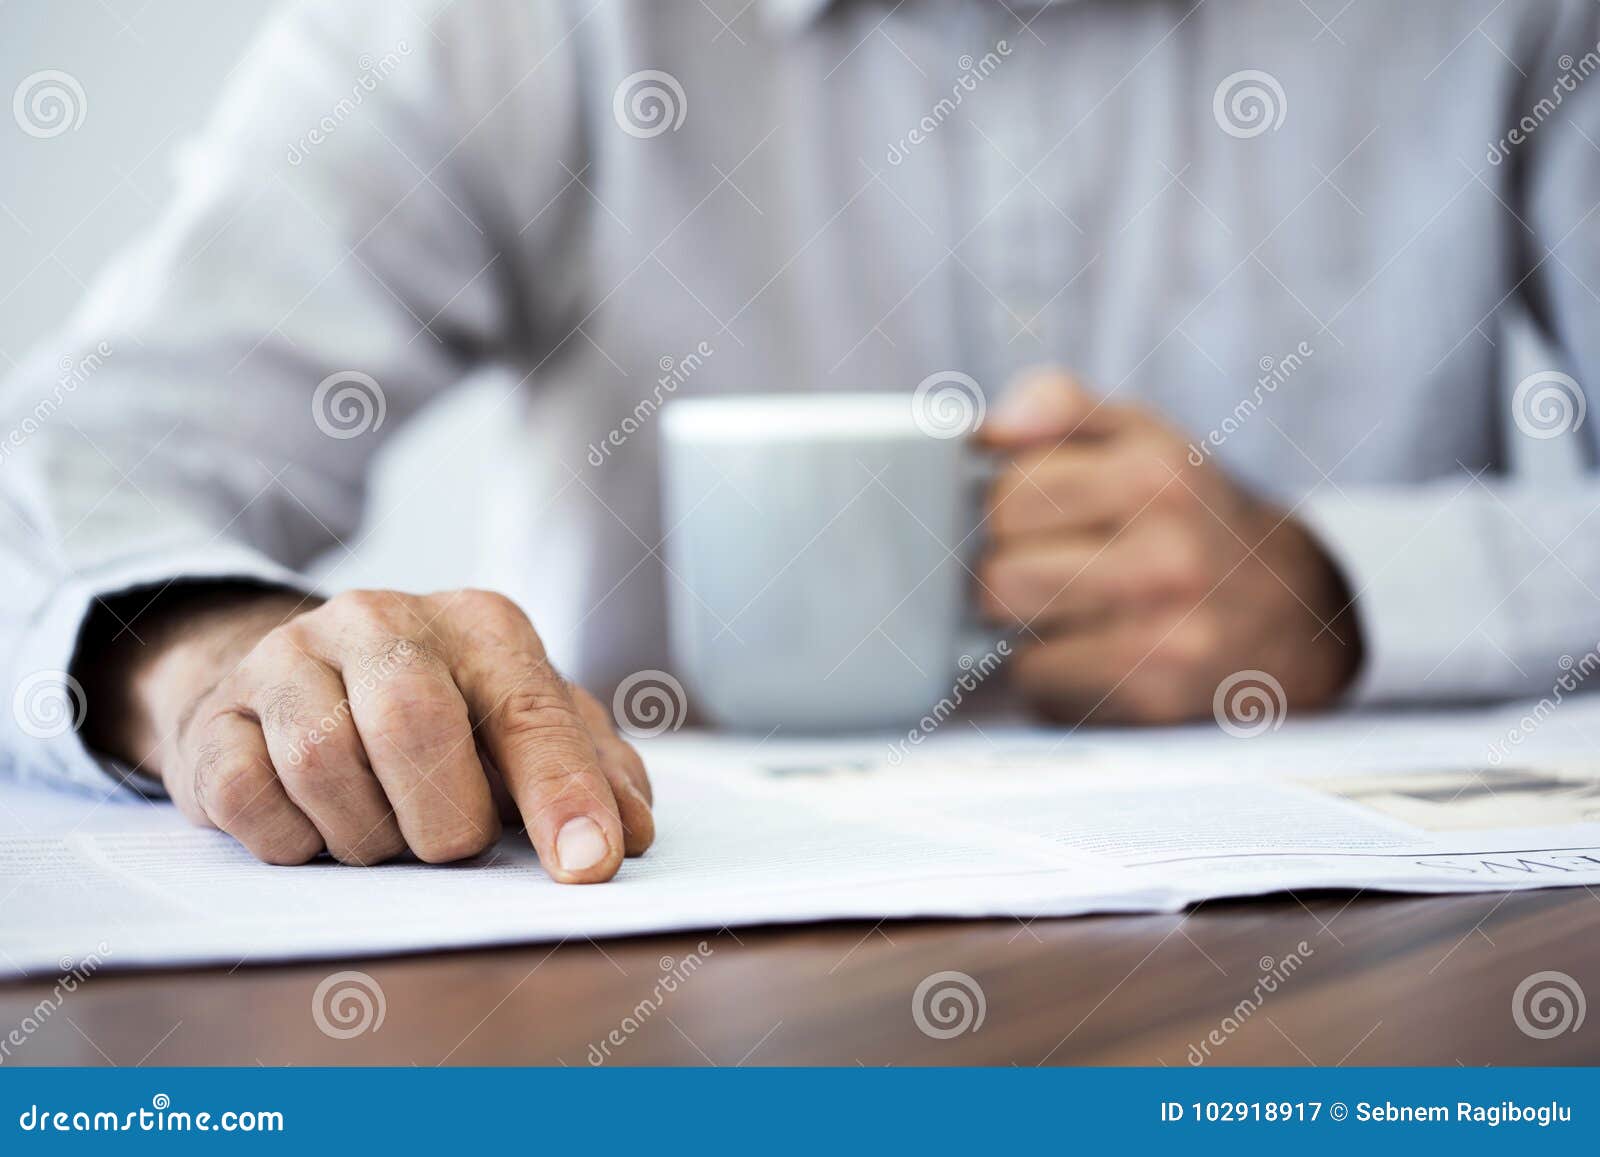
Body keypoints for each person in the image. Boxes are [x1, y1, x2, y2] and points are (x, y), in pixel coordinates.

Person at [4, 0, 1598, 879]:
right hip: (658, 991)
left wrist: (1356, 592)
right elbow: (73, 464)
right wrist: (206, 654)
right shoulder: (492, 24)